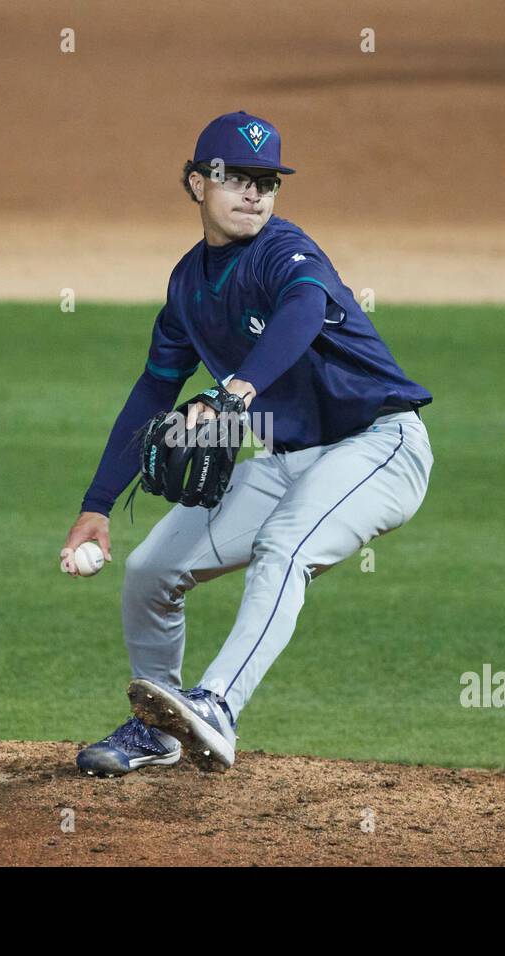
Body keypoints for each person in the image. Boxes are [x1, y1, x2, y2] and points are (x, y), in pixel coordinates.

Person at [61, 111, 434, 776]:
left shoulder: (285, 253)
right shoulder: (186, 285)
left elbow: (302, 312)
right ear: (197, 183)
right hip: (291, 461)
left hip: (381, 447)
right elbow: (153, 391)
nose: (253, 192)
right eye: (234, 177)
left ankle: (219, 707)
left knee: (283, 546)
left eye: (266, 180)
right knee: (150, 572)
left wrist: (234, 391)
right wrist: (96, 506)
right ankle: (160, 728)